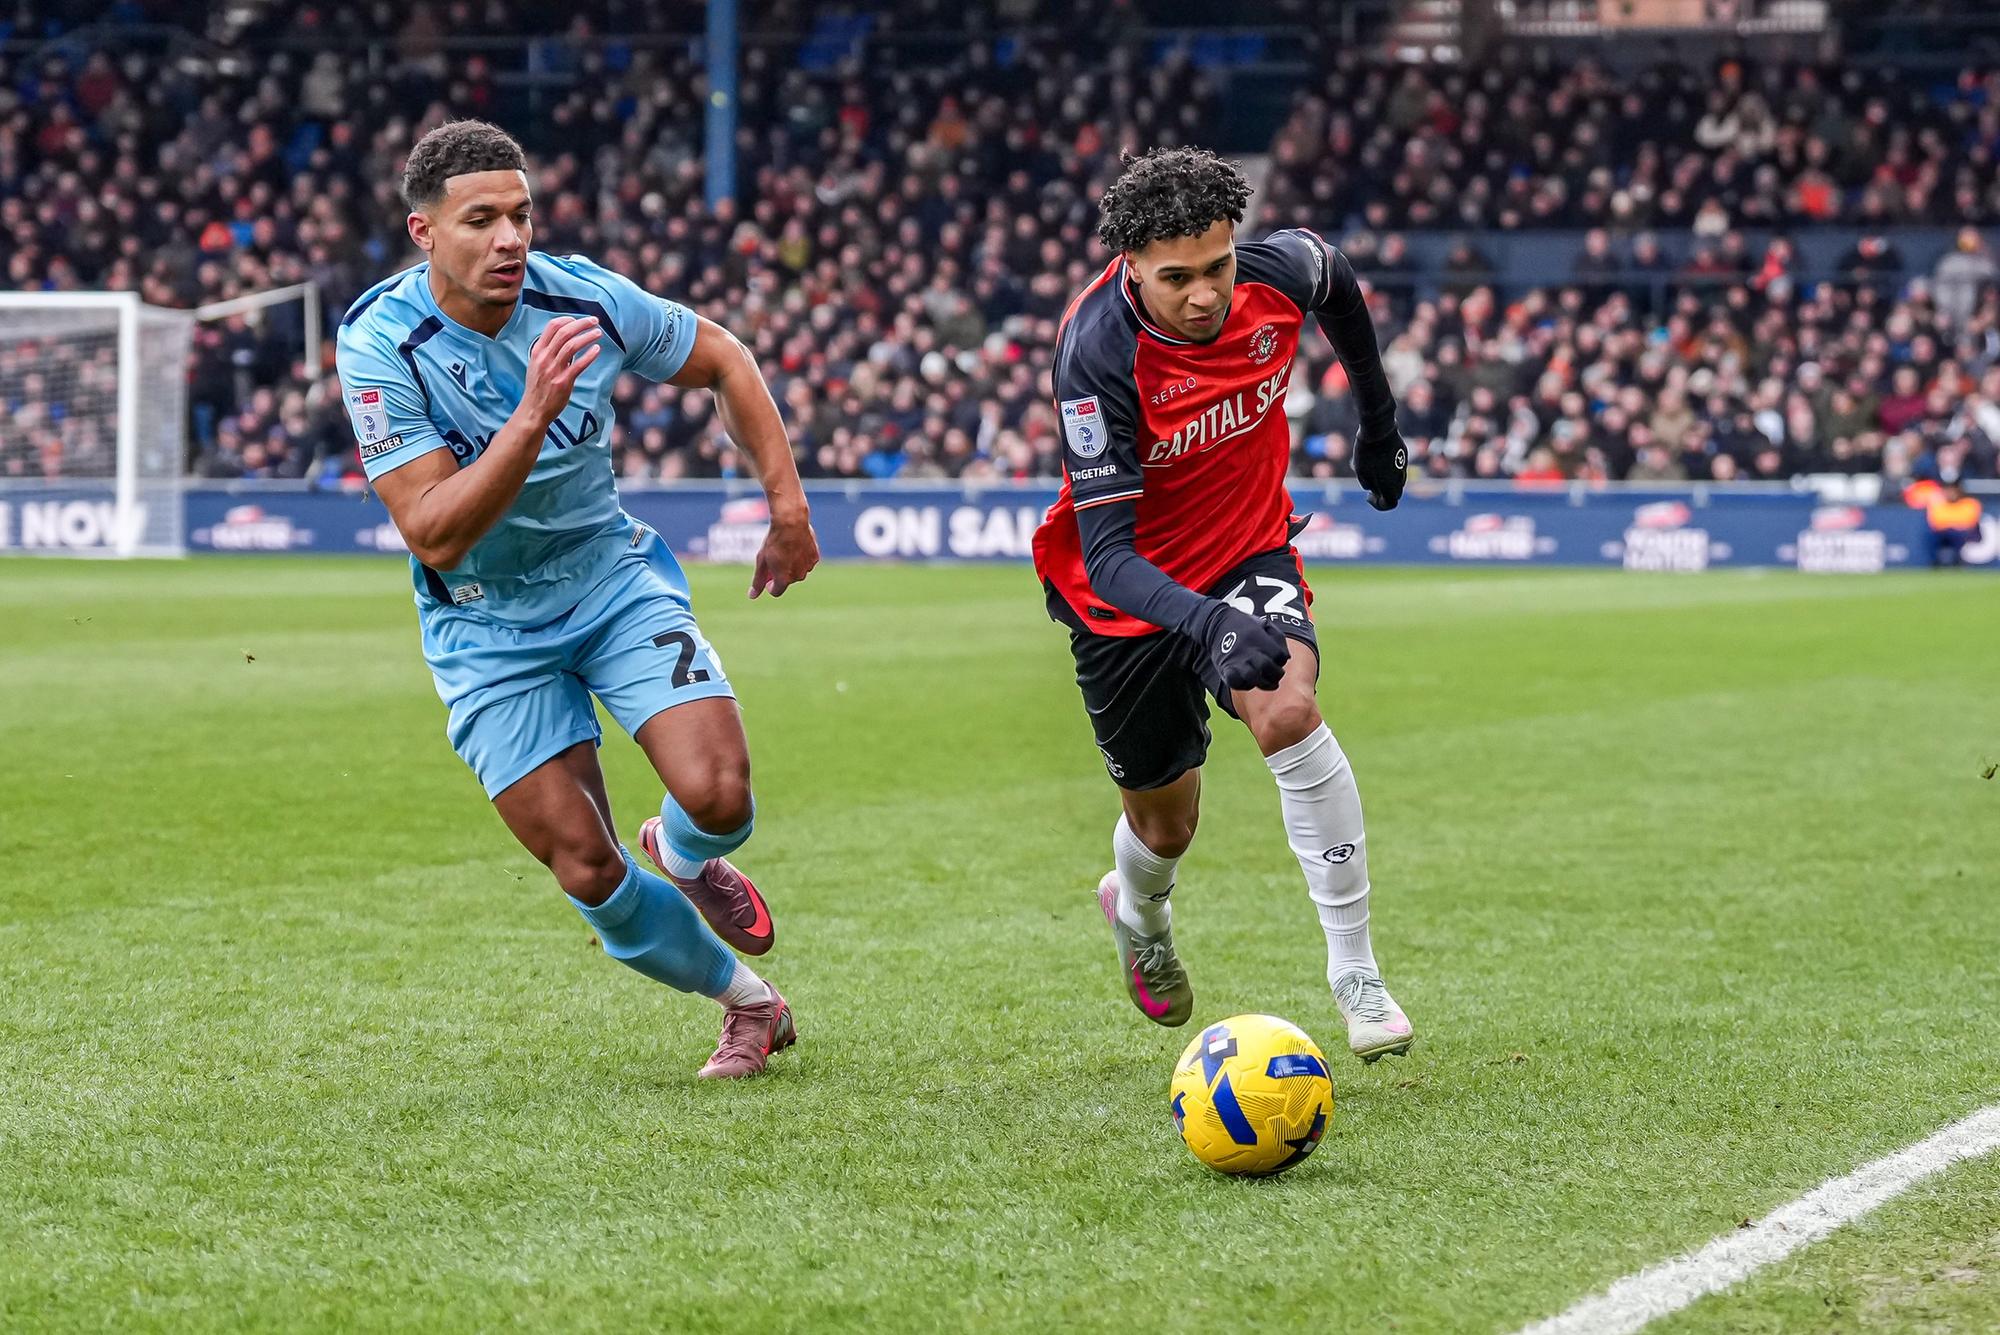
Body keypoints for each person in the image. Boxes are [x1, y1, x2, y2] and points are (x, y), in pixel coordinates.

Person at [334, 121, 820, 1079]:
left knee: (720, 798)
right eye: (481, 219)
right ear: (424, 232)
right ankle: (748, 1004)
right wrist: (531, 416)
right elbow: (434, 529)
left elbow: (722, 355)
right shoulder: (379, 341)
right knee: (588, 867)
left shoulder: (581, 295)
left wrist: (789, 506)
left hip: (608, 580)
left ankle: (682, 854)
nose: (511, 237)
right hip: (484, 622)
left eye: (521, 213)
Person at [1029, 147, 1417, 1063]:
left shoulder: (1282, 271)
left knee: (1289, 705)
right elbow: (1110, 554)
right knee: (1166, 825)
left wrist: (1379, 424)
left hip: (1249, 548)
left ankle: (1355, 973)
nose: (1204, 295)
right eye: (1177, 279)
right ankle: (1141, 911)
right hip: (1126, 598)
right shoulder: (1096, 351)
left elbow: (1343, 288)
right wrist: (1206, 621)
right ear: (1130, 265)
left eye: (1217, 268)